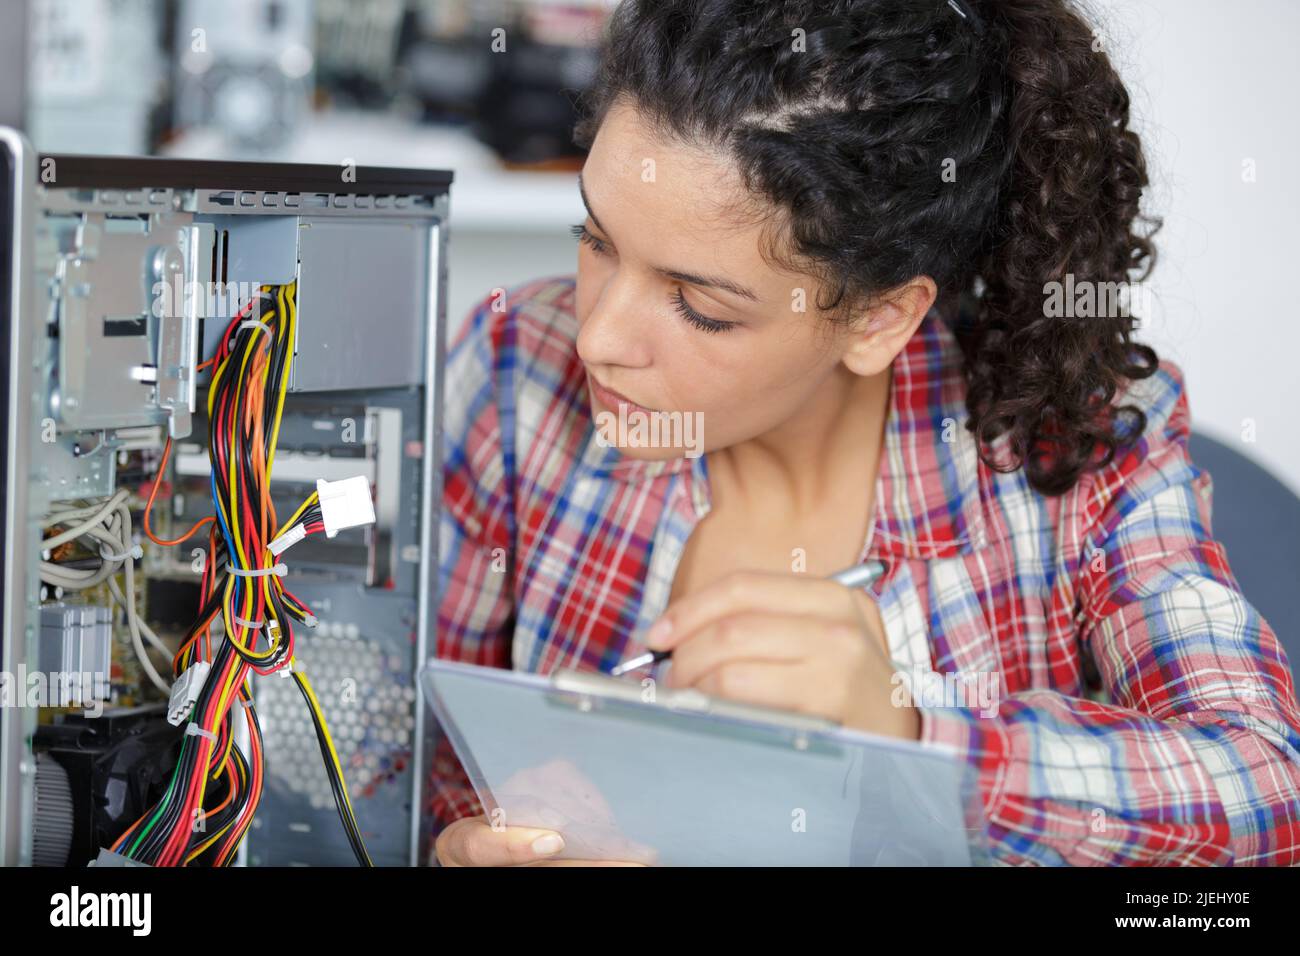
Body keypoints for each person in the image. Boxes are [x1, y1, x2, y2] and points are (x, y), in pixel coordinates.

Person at [429, 0, 1300, 866]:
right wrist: (468, 835)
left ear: (881, 318)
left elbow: (1266, 793)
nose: (597, 339)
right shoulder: (517, 367)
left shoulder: (1074, 437)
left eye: (700, 306)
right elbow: (410, 740)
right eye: (596, 238)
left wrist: (908, 734)